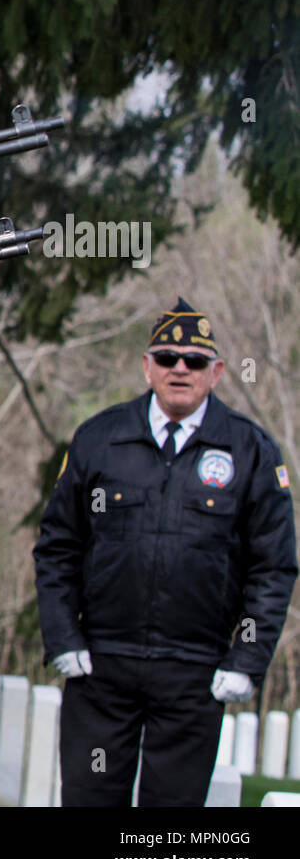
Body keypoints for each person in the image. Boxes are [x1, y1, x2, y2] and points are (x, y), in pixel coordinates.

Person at [34, 297, 296, 806]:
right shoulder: (99, 438)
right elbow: (58, 548)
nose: (180, 368)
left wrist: (247, 657)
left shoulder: (250, 451)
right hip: (102, 666)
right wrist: (63, 637)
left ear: (216, 372)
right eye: (167, 357)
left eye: (194, 361)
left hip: (194, 672)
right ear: (146, 366)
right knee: (90, 797)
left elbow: (273, 566)